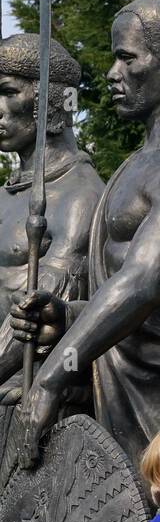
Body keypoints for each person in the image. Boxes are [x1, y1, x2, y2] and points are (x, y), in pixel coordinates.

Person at [11, 0, 160, 468]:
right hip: (119, 389)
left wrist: (50, 380)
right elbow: (124, 290)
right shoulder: (140, 162)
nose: (112, 74)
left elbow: (142, 285)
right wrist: (69, 314)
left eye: (126, 58)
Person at [0, 33, 103, 402]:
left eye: (8, 92)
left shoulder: (81, 197)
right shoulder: (5, 196)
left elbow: (38, 309)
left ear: (50, 99)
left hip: (33, 395)